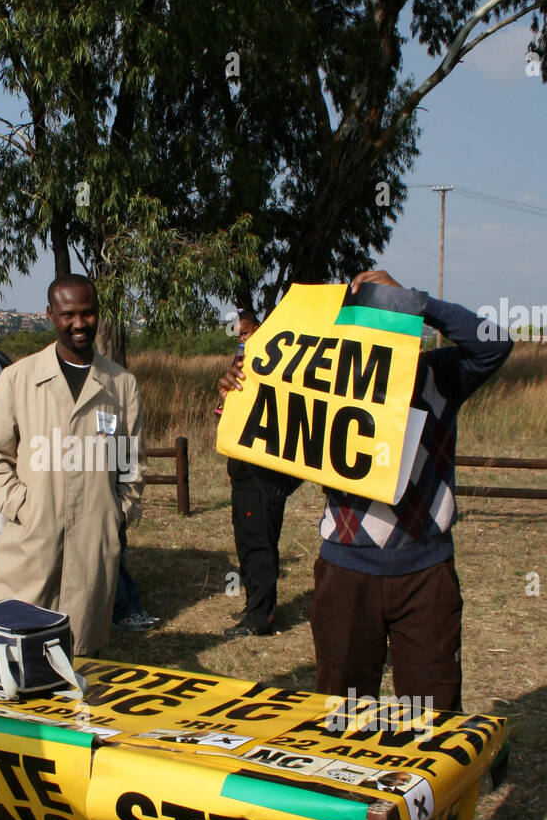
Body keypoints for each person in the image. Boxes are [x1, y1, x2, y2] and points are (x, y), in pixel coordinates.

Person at [218, 272, 513, 709]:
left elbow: (494, 344)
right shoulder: (325, 387)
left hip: (425, 575)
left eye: (387, 316)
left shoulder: (437, 376)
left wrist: (418, 301)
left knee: (432, 718)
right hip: (344, 575)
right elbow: (273, 486)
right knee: (344, 717)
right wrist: (245, 409)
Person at [0, 275, 145, 655]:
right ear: (50, 314)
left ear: (98, 315)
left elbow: (132, 462)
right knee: (15, 648)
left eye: (87, 313)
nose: (79, 323)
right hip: (31, 544)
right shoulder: (18, 379)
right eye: (68, 314)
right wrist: (24, 506)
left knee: (79, 656)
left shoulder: (121, 385)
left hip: (92, 547)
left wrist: (116, 514)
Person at [218, 310, 286, 637]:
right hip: (241, 467)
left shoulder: (275, 368)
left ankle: (261, 617)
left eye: (246, 335)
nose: (242, 342)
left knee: (259, 543)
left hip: (263, 471)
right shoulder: (240, 368)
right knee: (246, 541)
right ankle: (255, 605)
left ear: (258, 331)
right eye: (238, 337)